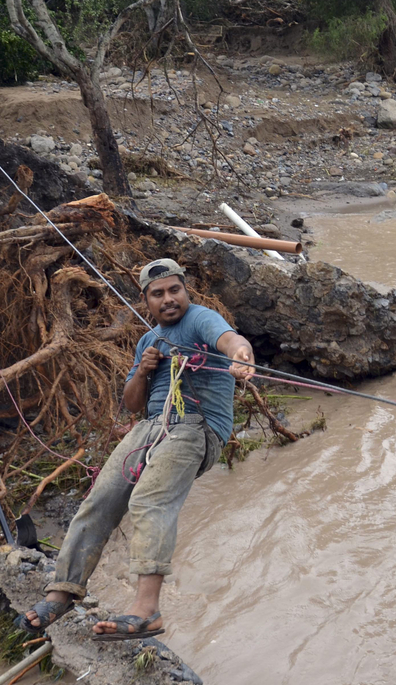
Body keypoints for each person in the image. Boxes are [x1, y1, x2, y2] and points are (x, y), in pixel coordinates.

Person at [18, 259, 255, 641]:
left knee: (149, 501)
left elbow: (230, 340)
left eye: (174, 290)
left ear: (185, 291)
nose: (168, 299)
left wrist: (241, 357)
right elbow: (131, 404)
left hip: (196, 428)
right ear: (146, 301)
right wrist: (144, 370)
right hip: (149, 427)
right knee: (100, 500)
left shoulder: (200, 319)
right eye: (158, 294)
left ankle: (147, 611)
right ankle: (62, 593)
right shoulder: (148, 340)